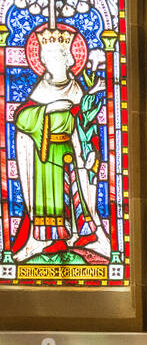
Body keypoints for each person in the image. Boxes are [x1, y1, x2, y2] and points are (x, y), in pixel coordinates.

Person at [12, 25, 112, 265]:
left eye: (56, 57)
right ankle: (53, 238)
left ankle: (80, 234)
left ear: (68, 59)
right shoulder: (41, 89)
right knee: (51, 196)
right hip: (45, 154)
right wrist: (48, 109)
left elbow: (85, 121)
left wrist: (90, 151)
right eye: (47, 58)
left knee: (75, 192)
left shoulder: (76, 88)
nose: (50, 62)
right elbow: (22, 118)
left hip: (70, 150)